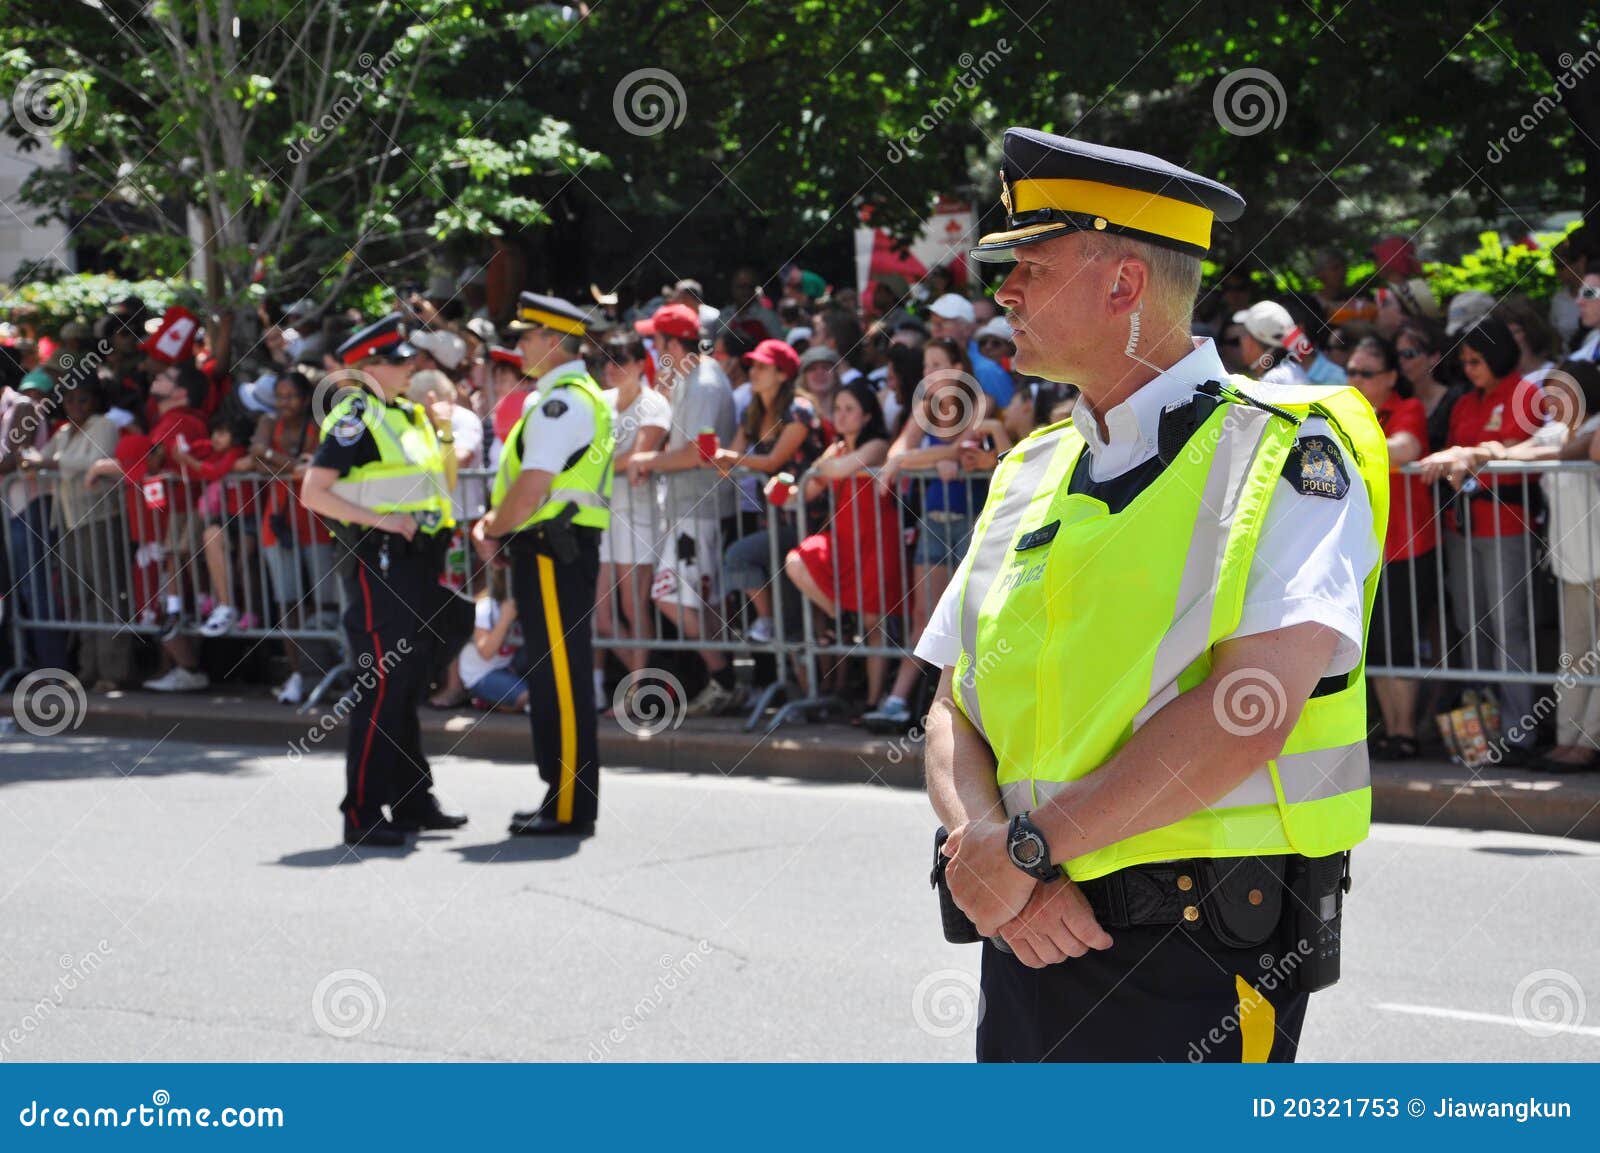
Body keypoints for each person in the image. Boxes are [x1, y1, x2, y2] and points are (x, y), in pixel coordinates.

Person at [921, 128, 1387, 1062]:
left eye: (1031, 264)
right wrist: (986, 850)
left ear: (1123, 284)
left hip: (1196, 955)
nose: (1003, 291)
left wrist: (1018, 855)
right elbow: (952, 702)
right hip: (1024, 929)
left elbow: (1248, 710)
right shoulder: (1030, 466)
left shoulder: (1285, 452)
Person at [300, 314, 468, 848]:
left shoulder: (409, 415)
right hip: (381, 564)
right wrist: (384, 521)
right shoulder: (355, 414)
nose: (409, 368)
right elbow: (314, 492)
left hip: (418, 563)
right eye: (397, 361)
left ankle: (413, 800)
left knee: (406, 684)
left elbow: (441, 484)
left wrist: (442, 430)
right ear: (368, 367)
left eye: (408, 359)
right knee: (380, 689)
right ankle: (362, 811)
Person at [473, 293, 614, 837]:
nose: (520, 345)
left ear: (554, 343)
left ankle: (568, 805)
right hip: (555, 549)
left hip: (555, 549)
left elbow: (533, 486)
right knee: (554, 673)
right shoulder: (568, 396)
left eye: (528, 337)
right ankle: (561, 796)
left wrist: (494, 526)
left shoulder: (562, 402)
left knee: (560, 676)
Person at [1415, 317, 1545, 763]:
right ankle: (1481, 732)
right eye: (1465, 361)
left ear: (1499, 354)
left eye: (1477, 360)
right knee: (1472, 628)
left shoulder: (1524, 392)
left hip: (1507, 526)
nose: (1469, 368)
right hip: (1462, 527)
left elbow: (1518, 445)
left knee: (1511, 628)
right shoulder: (1465, 401)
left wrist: (1474, 454)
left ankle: (1518, 732)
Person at [863, 338, 1000, 731]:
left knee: (971, 616)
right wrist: (910, 459)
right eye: (926, 365)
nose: (930, 373)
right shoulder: (923, 409)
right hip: (933, 519)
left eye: (939, 363)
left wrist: (910, 460)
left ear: (959, 365)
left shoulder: (979, 402)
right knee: (925, 613)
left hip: (974, 518)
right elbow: (895, 453)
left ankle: (966, 707)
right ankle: (897, 701)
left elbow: (958, 450)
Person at [626, 302, 740, 717]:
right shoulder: (692, 377)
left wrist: (645, 462)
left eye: (656, 341)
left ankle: (725, 679)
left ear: (673, 342)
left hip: (699, 507)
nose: (654, 350)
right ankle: (722, 678)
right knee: (693, 600)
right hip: (692, 507)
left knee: (671, 597)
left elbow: (699, 454)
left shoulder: (704, 383)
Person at [785, 379, 902, 705]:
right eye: (837, 408)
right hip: (844, 542)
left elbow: (837, 470)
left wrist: (823, 465)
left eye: (850, 409)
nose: (842, 415)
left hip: (877, 541)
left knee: (873, 623)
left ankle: (873, 699)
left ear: (867, 416)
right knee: (797, 561)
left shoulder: (878, 444)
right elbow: (807, 490)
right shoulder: (836, 448)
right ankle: (842, 618)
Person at [1345, 337, 1434, 759]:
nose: (1355, 380)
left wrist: (1352, 447)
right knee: (1374, 641)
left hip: (1407, 544)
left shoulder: (1407, 409)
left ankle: (1406, 732)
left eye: (1365, 373)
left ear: (1390, 377)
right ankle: (1390, 730)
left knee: (1402, 639)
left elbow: (1406, 449)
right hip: (1365, 547)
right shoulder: (1345, 409)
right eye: (1351, 372)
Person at [711, 338, 827, 652]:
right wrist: (717, 459)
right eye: (753, 365)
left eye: (763, 366)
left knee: (739, 556)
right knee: (791, 607)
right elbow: (733, 458)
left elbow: (773, 460)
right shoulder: (753, 410)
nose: (754, 371)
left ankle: (768, 623)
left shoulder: (798, 410)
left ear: (782, 374)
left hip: (807, 520)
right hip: (773, 518)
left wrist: (729, 457)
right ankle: (800, 679)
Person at [36, 380, 132, 691]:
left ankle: (113, 670)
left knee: (108, 594)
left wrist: (50, 462)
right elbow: (40, 460)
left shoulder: (103, 425)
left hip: (100, 517)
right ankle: (87, 667)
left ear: (94, 401)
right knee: (82, 595)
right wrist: (43, 462)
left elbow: (94, 461)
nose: (76, 406)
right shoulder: (63, 432)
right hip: (69, 519)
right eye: (70, 400)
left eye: (83, 399)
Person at [594, 331, 670, 711]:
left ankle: (638, 693)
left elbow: (638, 457)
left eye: (620, 360)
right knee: (601, 614)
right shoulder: (599, 401)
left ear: (640, 364)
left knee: (633, 607)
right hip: (601, 516)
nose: (611, 368)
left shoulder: (654, 403)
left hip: (638, 517)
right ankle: (648, 680)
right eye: (607, 359)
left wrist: (586, 469)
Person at [252, 370, 335, 705]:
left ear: (305, 397)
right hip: (280, 518)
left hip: (315, 518)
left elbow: (319, 463)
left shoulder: (320, 424)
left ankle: (325, 669)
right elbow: (256, 453)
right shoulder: (269, 423)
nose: (285, 402)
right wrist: (287, 463)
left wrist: (273, 460)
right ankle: (298, 672)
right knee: (288, 601)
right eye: (280, 396)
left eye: (292, 396)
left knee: (325, 596)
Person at [925, 292, 1017, 415]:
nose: (936, 328)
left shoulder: (987, 370)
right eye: (933, 322)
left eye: (943, 322)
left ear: (967, 329)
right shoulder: (927, 364)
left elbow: (1011, 419)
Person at [1231, 301, 1310, 384]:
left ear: (1253, 341)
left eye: (1244, 334)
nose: (1242, 340)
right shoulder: (1293, 371)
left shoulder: (1273, 381)